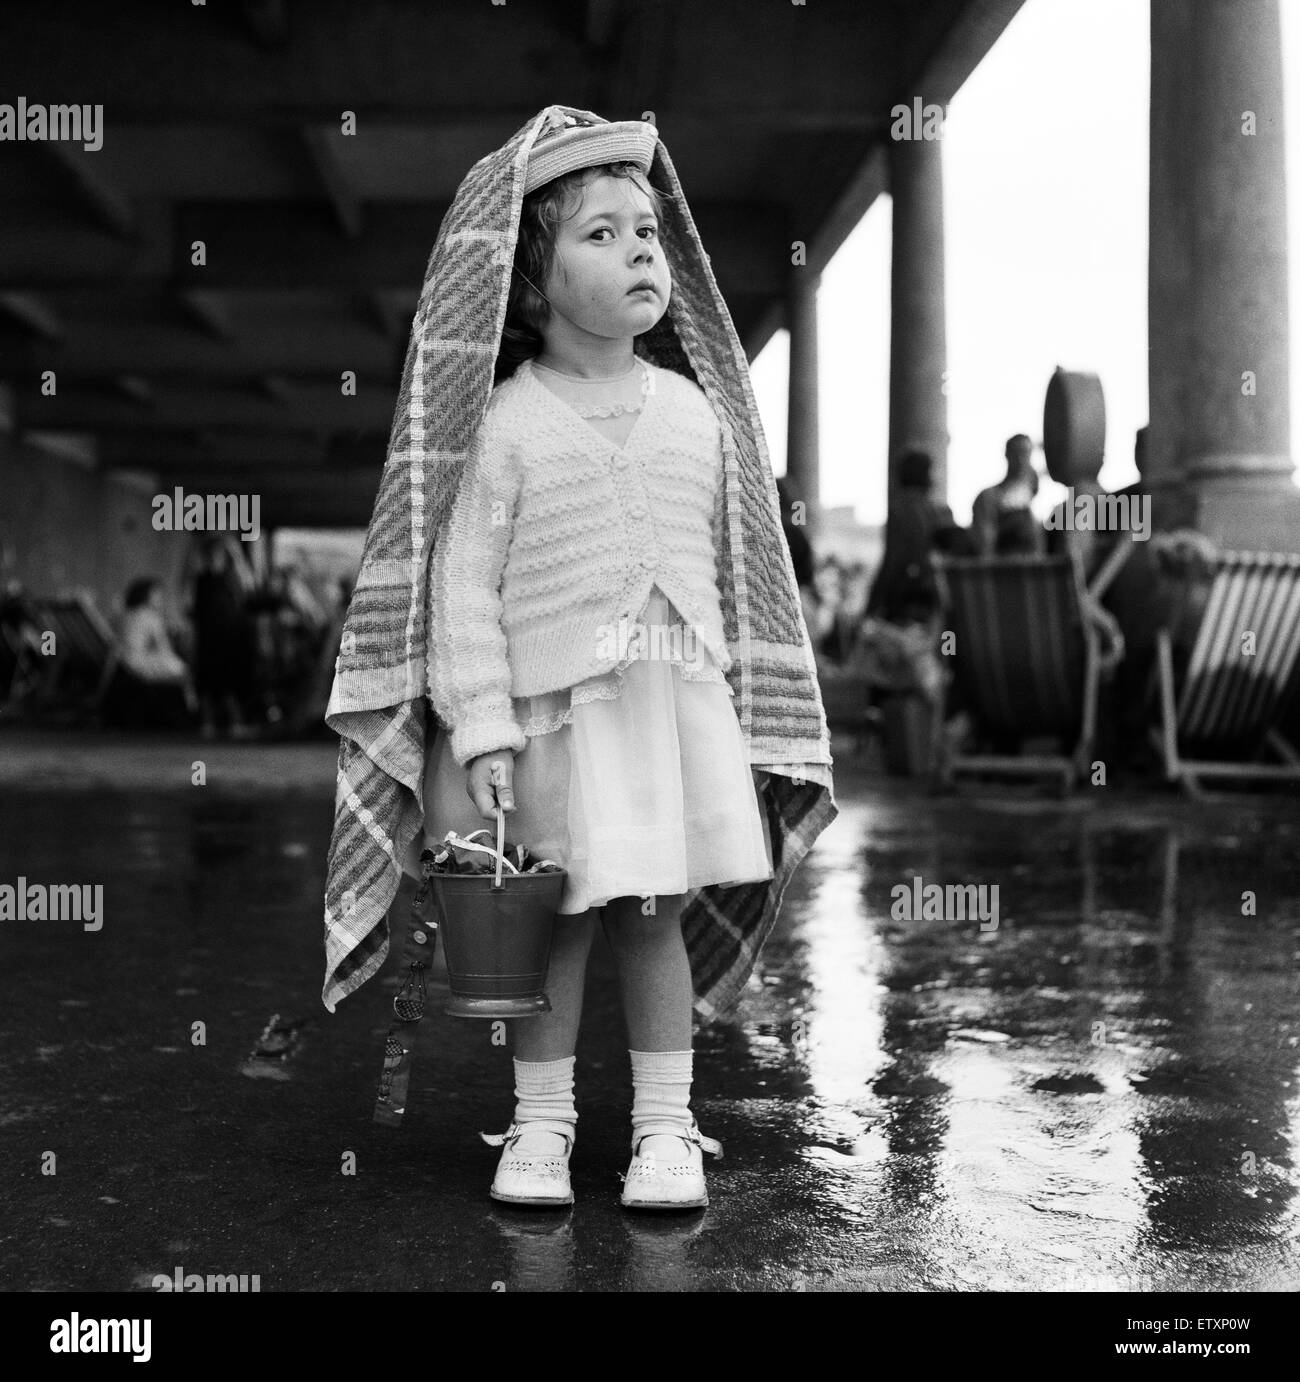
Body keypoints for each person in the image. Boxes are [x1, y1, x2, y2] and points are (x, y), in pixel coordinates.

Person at [321, 107, 836, 1214]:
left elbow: (740, 579)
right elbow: (462, 587)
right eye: (600, 234)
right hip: (546, 720)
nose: (641, 247)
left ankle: (664, 1130)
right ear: (531, 283)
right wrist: (483, 724)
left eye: (646, 229)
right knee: (546, 920)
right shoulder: (504, 424)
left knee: (649, 913)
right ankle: (542, 1125)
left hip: (660, 712)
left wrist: (744, 717)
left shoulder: (699, 415)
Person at [104, 578, 195, 728]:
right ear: (146, 596)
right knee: (183, 670)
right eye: (157, 595)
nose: (160, 599)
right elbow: (164, 649)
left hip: (121, 663)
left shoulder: (125, 615)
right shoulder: (151, 617)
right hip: (139, 664)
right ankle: (192, 713)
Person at [971, 434, 1044, 556]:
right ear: (1007, 455)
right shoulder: (988, 497)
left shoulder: (1034, 498)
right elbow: (985, 546)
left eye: (1025, 453)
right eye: (1016, 453)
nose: (1021, 460)